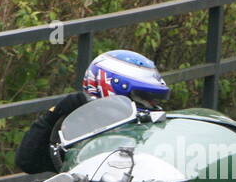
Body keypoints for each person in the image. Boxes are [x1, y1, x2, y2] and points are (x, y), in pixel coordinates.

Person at [14, 49, 170, 174]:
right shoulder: (77, 125)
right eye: (144, 97)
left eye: (154, 99)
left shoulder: (150, 126)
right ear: (110, 86)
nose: (152, 104)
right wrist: (53, 115)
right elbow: (27, 162)